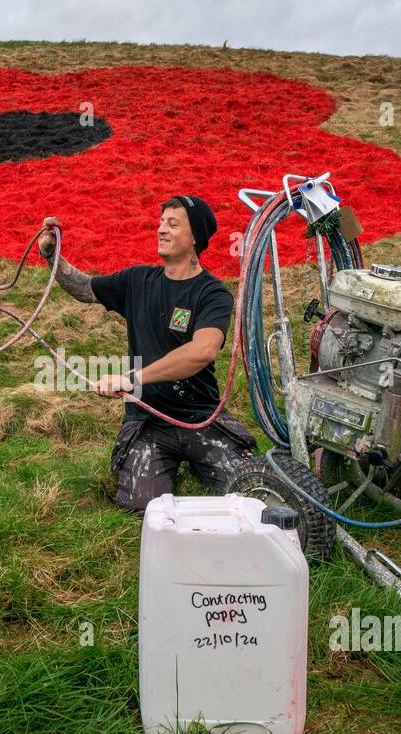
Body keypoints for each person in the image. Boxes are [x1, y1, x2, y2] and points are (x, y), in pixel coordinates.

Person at [37, 196, 258, 512]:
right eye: (161, 222)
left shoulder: (212, 293)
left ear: (195, 236)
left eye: (173, 223)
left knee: (250, 490)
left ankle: (200, 461)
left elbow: (203, 350)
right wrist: (50, 252)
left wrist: (131, 379)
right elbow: (83, 288)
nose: (161, 230)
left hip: (200, 417)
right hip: (147, 422)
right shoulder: (137, 281)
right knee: (143, 505)